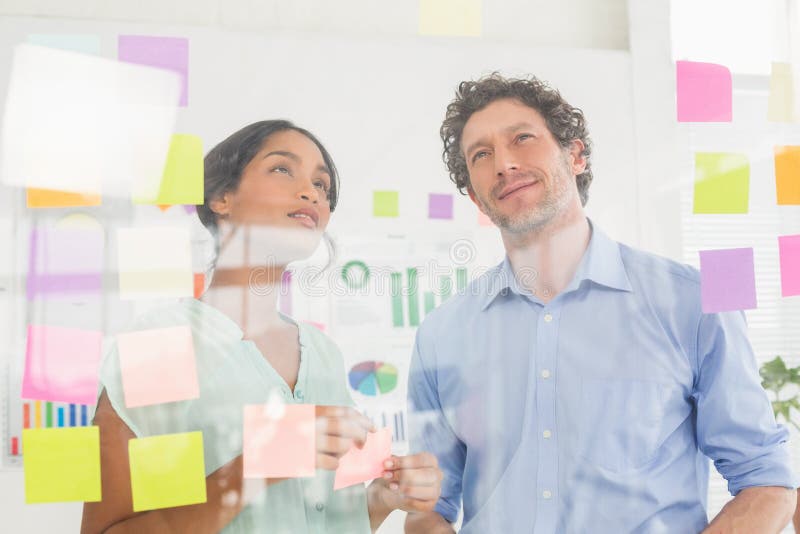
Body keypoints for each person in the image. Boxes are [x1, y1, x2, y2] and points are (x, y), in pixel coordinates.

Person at [405, 74, 797, 533]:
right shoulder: (441, 335)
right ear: (475, 196)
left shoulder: (692, 303)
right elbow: (427, 508)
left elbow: (766, 481)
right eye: (481, 155)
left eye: (522, 138)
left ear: (575, 155)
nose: (504, 163)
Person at [81, 120, 442, 533]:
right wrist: (254, 465)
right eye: (282, 169)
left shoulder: (323, 354)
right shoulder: (161, 347)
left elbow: (326, 518)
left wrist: (383, 497)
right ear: (221, 198)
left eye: (321, 185)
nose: (311, 193)